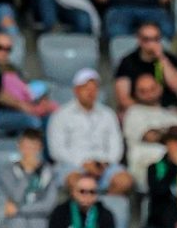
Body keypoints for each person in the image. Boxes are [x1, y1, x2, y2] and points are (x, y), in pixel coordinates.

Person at [46, 68, 133, 196]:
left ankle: (103, 206)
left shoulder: (108, 114)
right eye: (86, 89)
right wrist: (84, 163)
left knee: (125, 181)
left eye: (94, 89)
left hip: (104, 165)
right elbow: (57, 150)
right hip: (73, 165)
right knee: (75, 181)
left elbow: (116, 145)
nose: (91, 93)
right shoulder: (61, 115)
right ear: (76, 90)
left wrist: (104, 163)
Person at [0, 33, 57, 135]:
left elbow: (26, 88)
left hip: (15, 109)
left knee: (51, 117)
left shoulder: (11, 67)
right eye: (0, 48)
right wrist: (23, 106)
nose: (4, 52)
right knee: (33, 121)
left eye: (8, 49)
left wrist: (41, 101)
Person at [115, 22, 177, 113]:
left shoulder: (169, 59)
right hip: (138, 109)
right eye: (146, 39)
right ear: (139, 40)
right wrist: (145, 112)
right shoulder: (128, 62)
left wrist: (161, 58)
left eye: (155, 39)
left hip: (167, 108)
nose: (151, 43)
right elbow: (123, 97)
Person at [122, 73, 177, 179]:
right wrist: (170, 134)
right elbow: (150, 137)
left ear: (160, 89)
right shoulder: (133, 113)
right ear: (135, 93)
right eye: (143, 91)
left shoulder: (171, 115)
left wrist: (163, 133)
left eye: (152, 89)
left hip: (175, 164)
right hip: (145, 165)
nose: (148, 94)